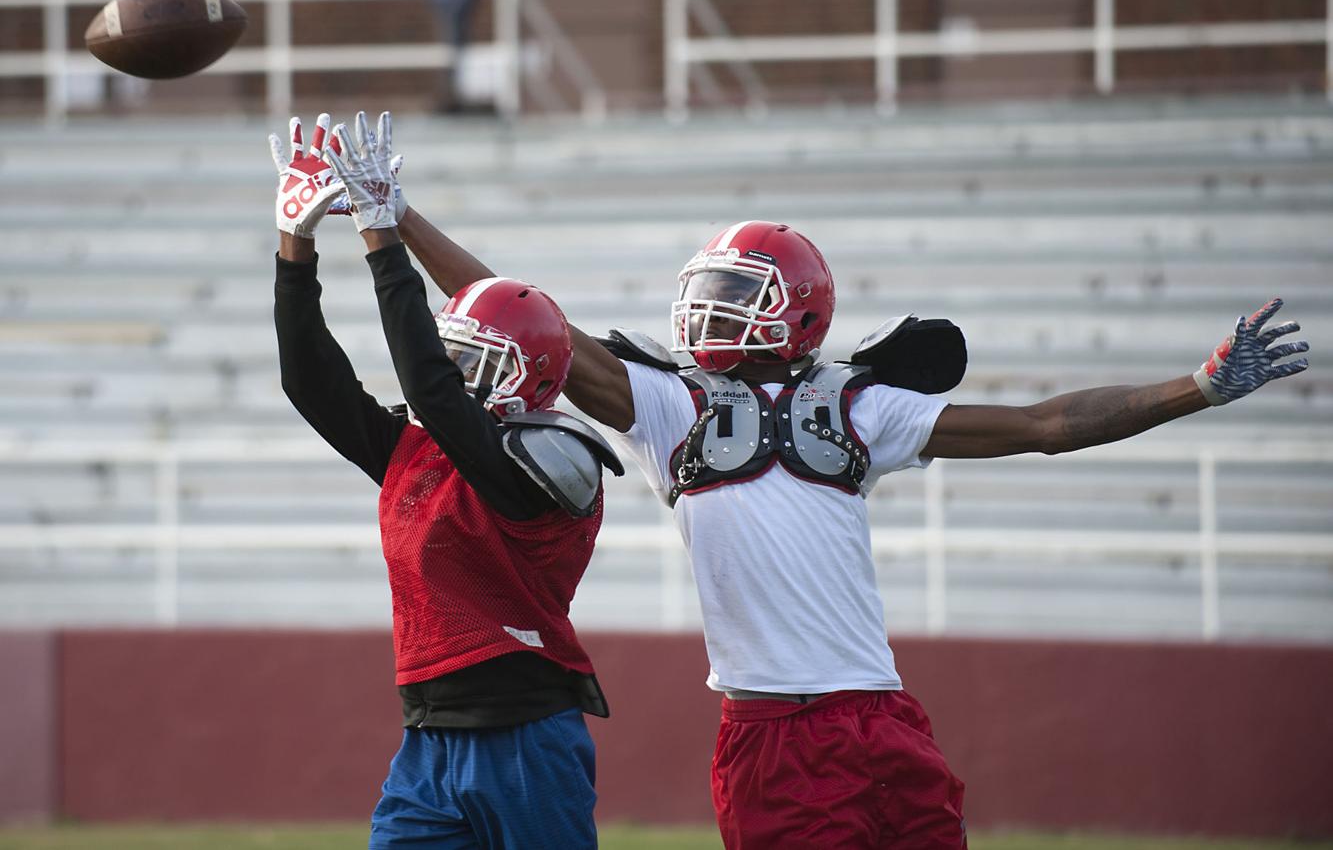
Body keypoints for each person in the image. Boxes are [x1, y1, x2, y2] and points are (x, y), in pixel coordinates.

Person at [364, 113, 1310, 849]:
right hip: (771, 723)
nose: (709, 312)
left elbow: (1041, 425)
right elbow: (518, 312)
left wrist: (1194, 387)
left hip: (884, 715)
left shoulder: (858, 406)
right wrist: (393, 216)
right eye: (711, 291)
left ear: (800, 313)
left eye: (739, 295)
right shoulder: (667, 405)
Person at [268, 111, 622, 850]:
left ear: (531, 378)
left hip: (525, 730)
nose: (459, 373)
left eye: (476, 359)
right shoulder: (418, 448)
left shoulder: (550, 461)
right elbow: (309, 382)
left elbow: (431, 387)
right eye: (454, 353)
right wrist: (294, 248)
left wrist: (379, 233)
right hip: (428, 734)